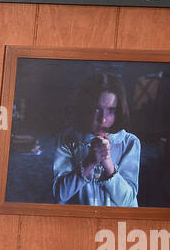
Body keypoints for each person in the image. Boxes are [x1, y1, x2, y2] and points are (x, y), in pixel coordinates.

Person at [52, 71, 141, 207]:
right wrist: (89, 163)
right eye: (97, 109)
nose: (103, 119)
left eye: (111, 110)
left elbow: (127, 201)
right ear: (85, 108)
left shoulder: (130, 142)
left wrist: (108, 164)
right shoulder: (67, 139)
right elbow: (60, 194)